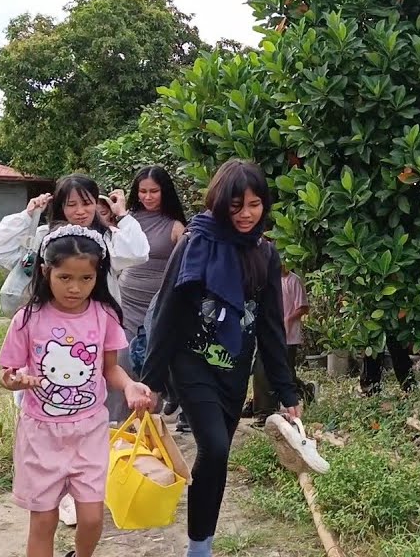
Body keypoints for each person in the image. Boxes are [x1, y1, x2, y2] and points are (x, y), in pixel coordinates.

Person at [141, 159, 301, 557]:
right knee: (213, 447)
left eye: (254, 204)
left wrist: (286, 390)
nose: (246, 215)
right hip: (191, 363)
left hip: (234, 367)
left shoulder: (265, 253)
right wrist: (152, 380)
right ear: (219, 203)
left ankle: (201, 542)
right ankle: (199, 550)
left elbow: (270, 326)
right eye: (236, 206)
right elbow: (169, 311)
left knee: (218, 457)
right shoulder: (195, 242)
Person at [0, 223, 155, 557]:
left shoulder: (105, 315)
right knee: (43, 521)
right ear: (45, 271)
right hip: (41, 435)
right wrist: (13, 380)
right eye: (65, 278)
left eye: (86, 279)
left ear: (98, 277)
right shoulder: (27, 319)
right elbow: (6, 374)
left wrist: (130, 386)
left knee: (92, 516)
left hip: (89, 432)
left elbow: (110, 368)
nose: (75, 288)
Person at [0, 175, 149, 312]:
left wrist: (122, 214)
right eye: (72, 205)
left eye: (87, 203)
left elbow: (138, 253)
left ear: (96, 203)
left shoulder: (107, 238)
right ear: (61, 206)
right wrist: (28, 215)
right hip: (48, 321)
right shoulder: (45, 236)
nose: (80, 211)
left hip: (95, 324)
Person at [116, 166, 188, 424]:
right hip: (125, 302)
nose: (147, 197)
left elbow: (185, 269)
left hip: (157, 307)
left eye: (154, 191)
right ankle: (120, 425)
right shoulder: (126, 220)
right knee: (122, 361)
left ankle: (148, 426)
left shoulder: (176, 226)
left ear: (164, 192)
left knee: (150, 362)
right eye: (142, 191)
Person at [244, 263, 314, 420]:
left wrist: (287, 320)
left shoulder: (293, 281)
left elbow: (303, 307)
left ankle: (304, 391)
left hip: (288, 336)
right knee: (262, 370)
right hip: (268, 334)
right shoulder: (265, 281)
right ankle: (263, 410)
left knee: (285, 372)